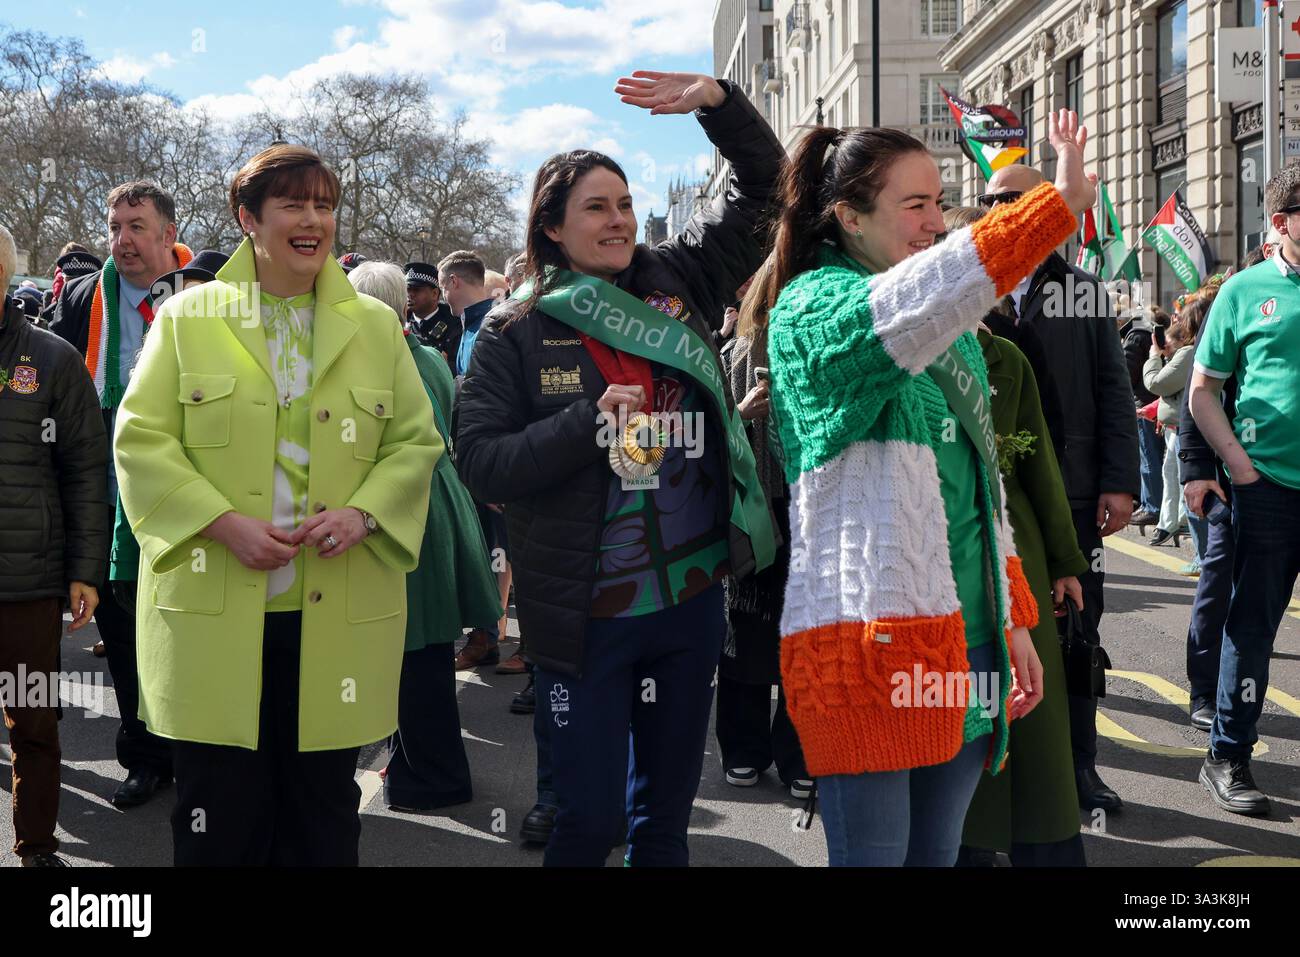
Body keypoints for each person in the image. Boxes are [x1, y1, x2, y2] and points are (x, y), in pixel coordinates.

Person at [457, 69, 783, 867]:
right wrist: (581, 426)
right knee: (587, 818)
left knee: (662, 826)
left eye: (626, 203)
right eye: (596, 208)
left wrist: (719, 102)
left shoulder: (678, 278)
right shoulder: (514, 330)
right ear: (553, 229)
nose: (618, 220)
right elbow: (481, 463)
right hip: (585, 613)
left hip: (691, 598)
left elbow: (769, 192)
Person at [764, 110, 1096, 867]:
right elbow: (913, 301)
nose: (935, 222)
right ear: (847, 215)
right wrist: (1050, 211)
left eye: (941, 203)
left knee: (939, 858)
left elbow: (984, 494)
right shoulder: (811, 312)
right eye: (915, 205)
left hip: (972, 647)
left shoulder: (957, 336)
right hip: (870, 651)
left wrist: (1015, 621)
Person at [113, 144, 440, 865]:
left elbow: (417, 444)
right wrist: (222, 524)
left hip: (337, 619)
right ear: (247, 219)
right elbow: (140, 441)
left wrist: (362, 513)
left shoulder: (379, 328)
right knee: (216, 821)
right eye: (294, 203)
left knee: (324, 823)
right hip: (213, 614)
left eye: (324, 204)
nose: (313, 220)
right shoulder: (186, 317)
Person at [982, 162, 1139, 814]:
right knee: (997, 637)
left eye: (1015, 199)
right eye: (992, 200)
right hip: (992, 499)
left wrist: (1119, 483)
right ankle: (997, 776)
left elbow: (1113, 391)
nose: (1001, 208)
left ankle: (1080, 767)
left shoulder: (1085, 292)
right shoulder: (968, 292)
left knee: (1075, 638)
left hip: (1072, 497)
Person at [48, 181, 192, 809]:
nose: (122, 240)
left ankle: (197, 750)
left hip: (186, 499)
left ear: (168, 233)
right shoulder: (82, 298)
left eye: (136, 226)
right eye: (114, 226)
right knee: (124, 633)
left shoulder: (206, 293)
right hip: (104, 500)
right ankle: (143, 753)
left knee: (186, 633)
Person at [348, 260, 500, 811]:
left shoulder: (377, 363)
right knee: (423, 653)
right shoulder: (429, 356)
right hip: (436, 507)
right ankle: (421, 767)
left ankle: (429, 776)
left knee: (412, 657)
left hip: (403, 513)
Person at [1186, 165, 1300, 817]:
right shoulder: (1243, 291)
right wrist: (1236, 463)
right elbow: (1202, 389)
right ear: (1282, 224)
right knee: (1252, 627)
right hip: (1266, 493)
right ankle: (1227, 754)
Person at [958, 326, 1089, 867]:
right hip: (941, 548)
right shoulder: (901, 347)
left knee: (1031, 712)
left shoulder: (1005, 357)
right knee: (961, 704)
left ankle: (1043, 841)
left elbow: (1040, 463)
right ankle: (964, 841)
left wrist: (1063, 559)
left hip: (1015, 547)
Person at [0, 224, 108, 866]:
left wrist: (84, 570)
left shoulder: (52, 359)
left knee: (34, 722)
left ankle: (37, 847)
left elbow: (86, 470)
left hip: (28, 585)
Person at [714, 258, 809, 797]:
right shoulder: (733, 355)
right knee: (746, 640)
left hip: (812, 510)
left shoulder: (827, 351)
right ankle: (744, 748)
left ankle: (799, 754)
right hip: (755, 513)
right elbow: (705, 447)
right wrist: (741, 415)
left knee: (804, 641)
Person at [105, 250, 232, 614]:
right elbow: (136, 463)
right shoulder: (155, 366)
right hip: (165, 554)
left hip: (231, 559)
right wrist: (124, 561)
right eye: (182, 297)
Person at [438, 249, 519, 673]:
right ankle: (487, 635)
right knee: (488, 550)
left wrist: (498, 471)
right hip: (474, 462)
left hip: (496, 466)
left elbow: (503, 404)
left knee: (509, 550)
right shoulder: (469, 326)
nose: (438, 295)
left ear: (453, 282)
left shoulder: (500, 322)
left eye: (440, 285)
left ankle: (529, 648)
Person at [1143, 297, 1209, 558]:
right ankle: (1169, 525)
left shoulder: (1189, 352)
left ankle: (1202, 556)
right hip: (1176, 427)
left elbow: (1158, 383)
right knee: (1173, 481)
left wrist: (1153, 357)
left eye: (1183, 319)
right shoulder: (1187, 351)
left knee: (1187, 489)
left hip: (1186, 430)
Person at [1122, 305, 1167, 530]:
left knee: (1148, 457)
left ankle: (1151, 507)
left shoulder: (1134, 337)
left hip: (1142, 404)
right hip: (1157, 402)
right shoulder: (1150, 332)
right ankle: (1151, 504)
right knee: (1156, 457)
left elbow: (1126, 372)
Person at [405, 261, 460, 361]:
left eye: (416, 290)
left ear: (435, 294)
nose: (410, 295)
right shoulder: (400, 321)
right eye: (407, 289)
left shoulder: (455, 325)